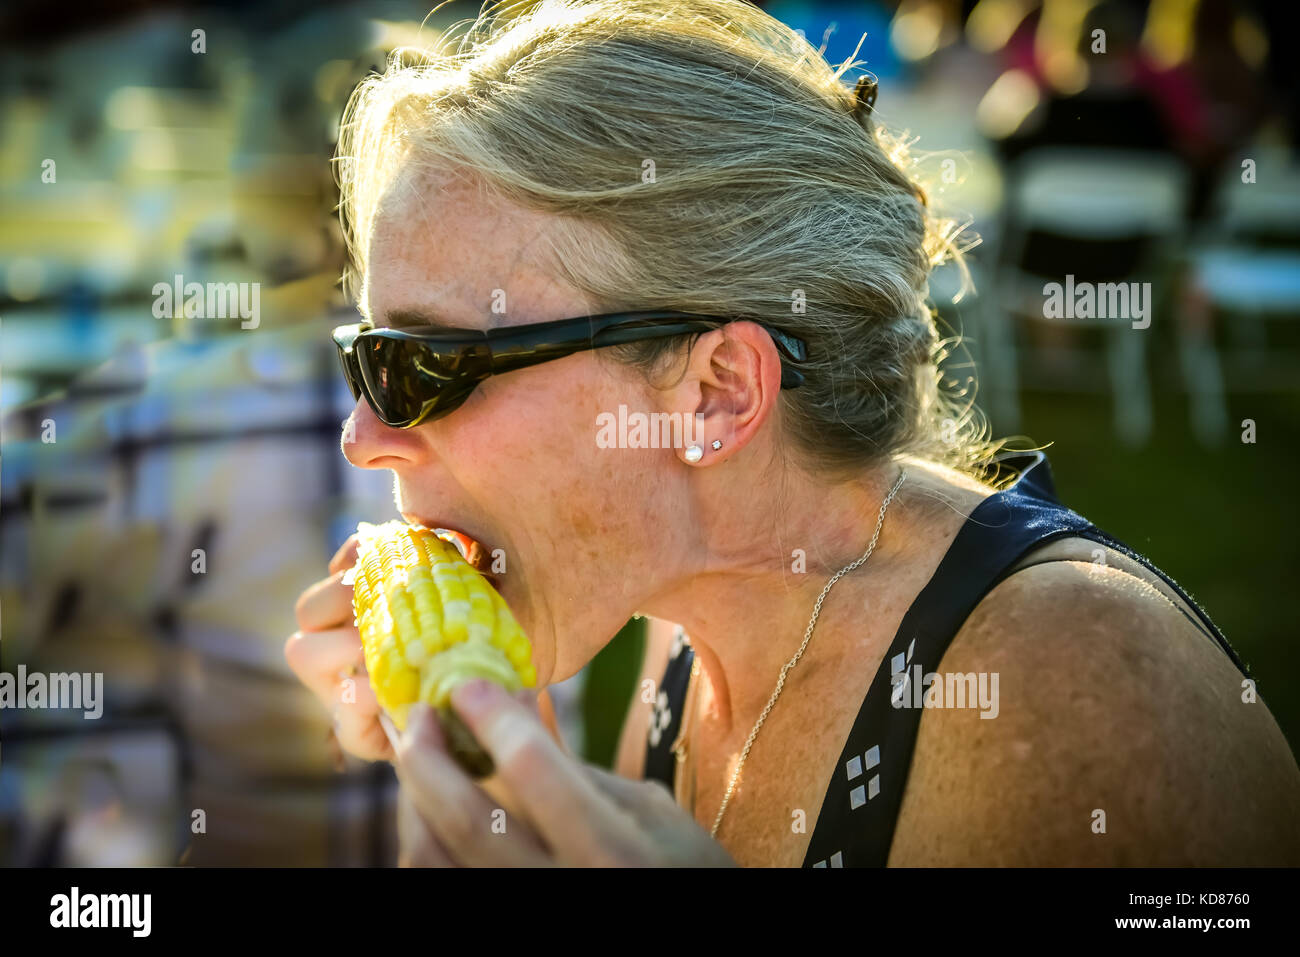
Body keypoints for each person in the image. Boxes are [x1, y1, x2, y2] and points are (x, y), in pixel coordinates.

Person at [284, 0, 1300, 866]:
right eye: (362, 359)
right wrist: (507, 766)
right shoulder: (682, 622)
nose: (361, 438)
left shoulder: (1079, 694)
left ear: (719, 391)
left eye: (420, 367)